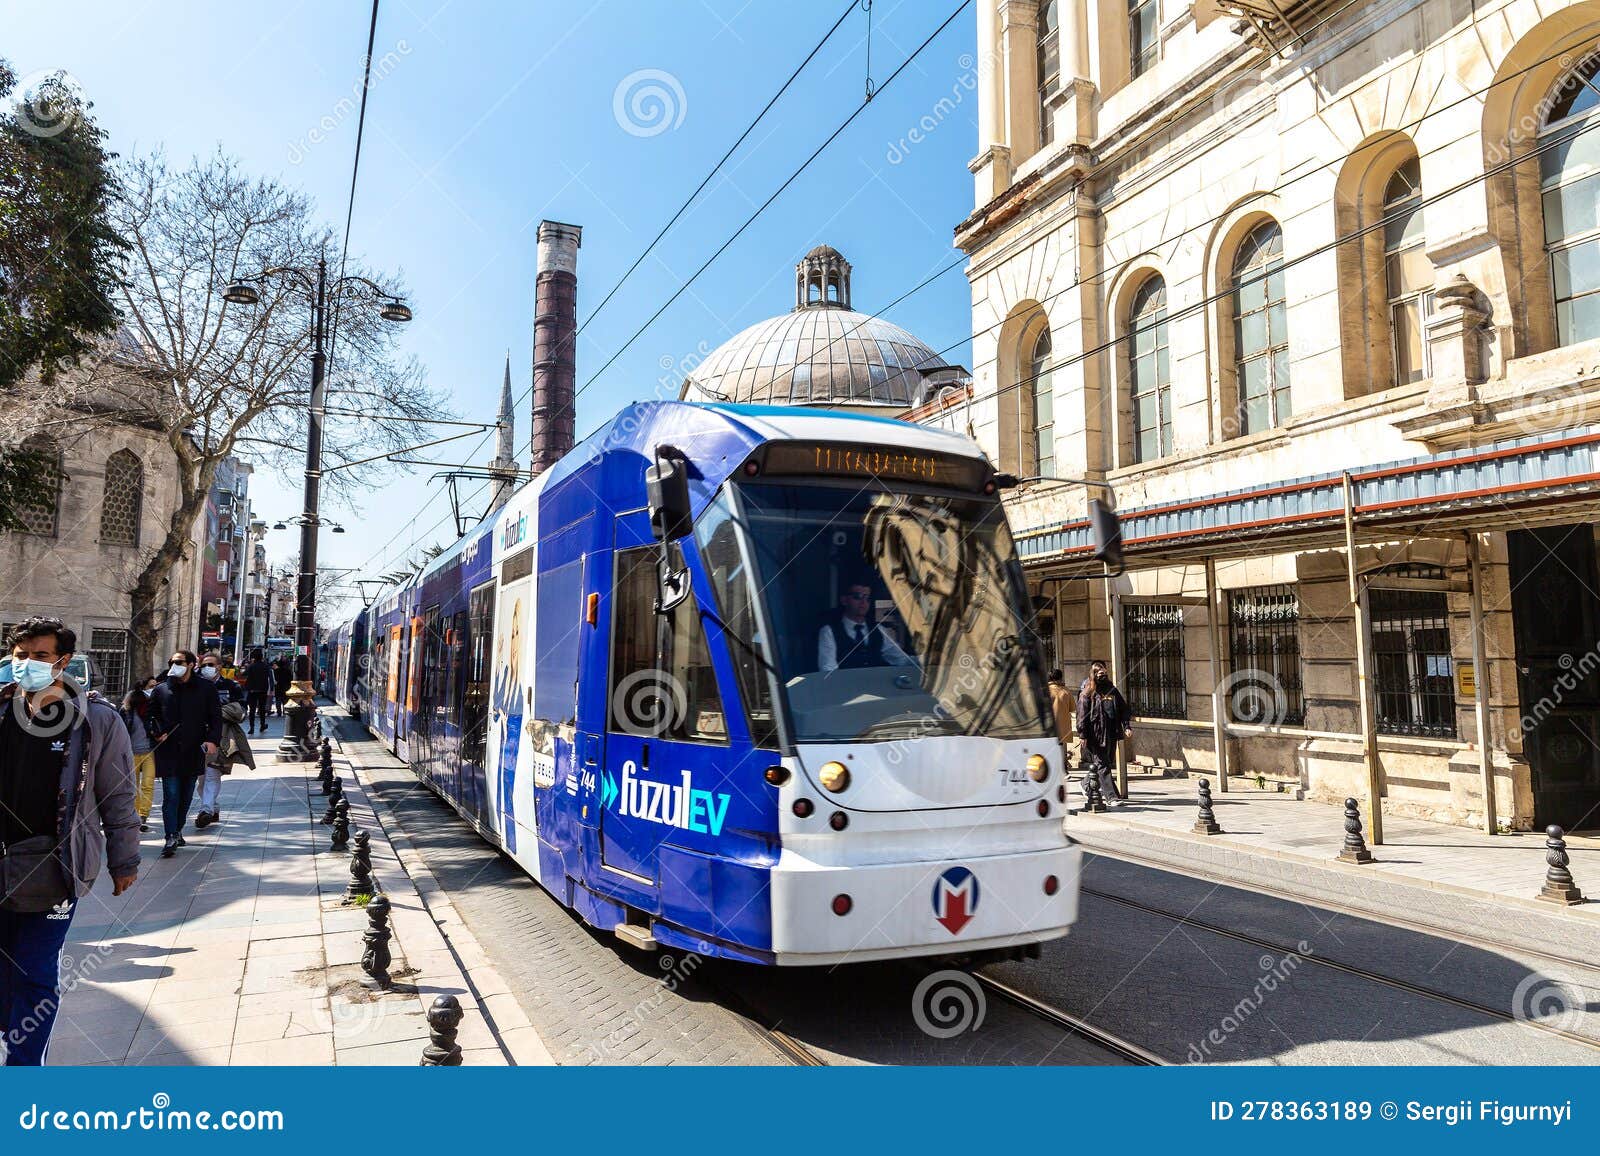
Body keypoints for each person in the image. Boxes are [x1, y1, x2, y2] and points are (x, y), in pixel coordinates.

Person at [1, 617, 139, 1065]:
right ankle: (12, 1027)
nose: (27, 665)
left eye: (40, 656)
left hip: (54, 867)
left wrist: (124, 860)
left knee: (36, 972)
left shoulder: (96, 720)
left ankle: (24, 1066)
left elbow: (118, 794)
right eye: (21, 655)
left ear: (62, 661)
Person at [147, 649, 222, 858]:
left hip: (193, 749)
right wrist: (155, 732)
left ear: (190, 664)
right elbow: (151, 716)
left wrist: (212, 740)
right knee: (171, 794)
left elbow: (216, 717)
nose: (175, 664)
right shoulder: (162, 689)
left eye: (179, 661)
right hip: (168, 750)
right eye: (172, 661)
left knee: (186, 795)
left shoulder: (205, 689)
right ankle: (170, 835)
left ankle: (178, 829)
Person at [817, 579, 917, 673]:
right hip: (846, 688)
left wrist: (925, 660)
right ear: (844, 600)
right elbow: (828, 669)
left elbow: (901, 660)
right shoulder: (829, 631)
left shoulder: (879, 630)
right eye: (858, 596)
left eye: (867, 598)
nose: (863, 602)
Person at [1076, 659, 1132, 807]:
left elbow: (1123, 708)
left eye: (1104, 673)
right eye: (1099, 674)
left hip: (1112, 732)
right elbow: (1082, 715)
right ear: (1093, 674)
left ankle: (1085, 784)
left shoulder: (1111, 689)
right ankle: (1111, 797)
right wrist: (1082, 734)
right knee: (1103, 765)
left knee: (1105, 763)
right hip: (1095, 734)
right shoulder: (1087, 692)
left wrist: (1126, 725)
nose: (1102, 676)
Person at [196, 700, 254, 829]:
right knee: (202, 784)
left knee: (211, 778)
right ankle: (213, 808)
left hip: (220, 749)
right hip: (200, 749)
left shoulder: (224, 695)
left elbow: (240, 709)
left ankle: (206, 811)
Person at [120, 688, 157, 833]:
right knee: (133, 786)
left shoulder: (149, 713)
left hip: (149, 752)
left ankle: (143, 815)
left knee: (148, 784)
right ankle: (135, 814)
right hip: (131, 753)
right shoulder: (125, 712)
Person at [243, 648, 272, 734]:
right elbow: (269, 677)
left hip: (252, 690)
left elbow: (244, 674)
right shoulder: (266, 666)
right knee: (262, 709)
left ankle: (252, 728)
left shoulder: (251, 666)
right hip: (263, 690)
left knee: (252, 710)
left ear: (254, 658)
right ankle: (262, 725)